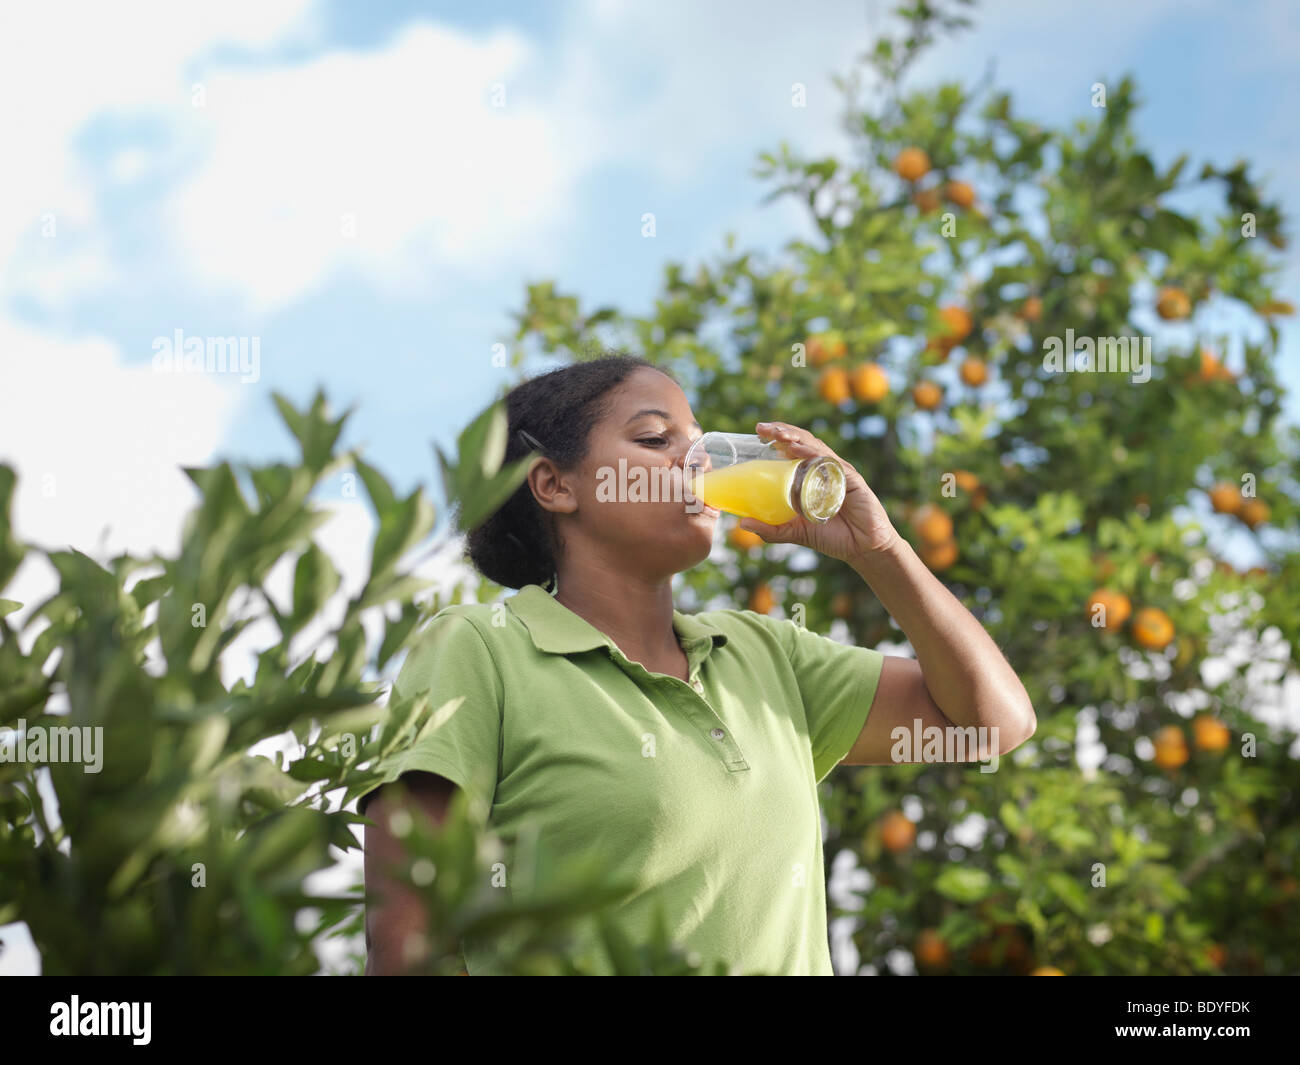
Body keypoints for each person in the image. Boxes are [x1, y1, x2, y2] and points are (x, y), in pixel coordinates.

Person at [360, 352, 1034, 975]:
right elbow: (408, 937)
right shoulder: (480, 648)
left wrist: (878, 548)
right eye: (656, 440)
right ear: (554, 485)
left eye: (701, 438)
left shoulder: (766, 652)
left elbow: (990, 724)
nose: (699, 462)